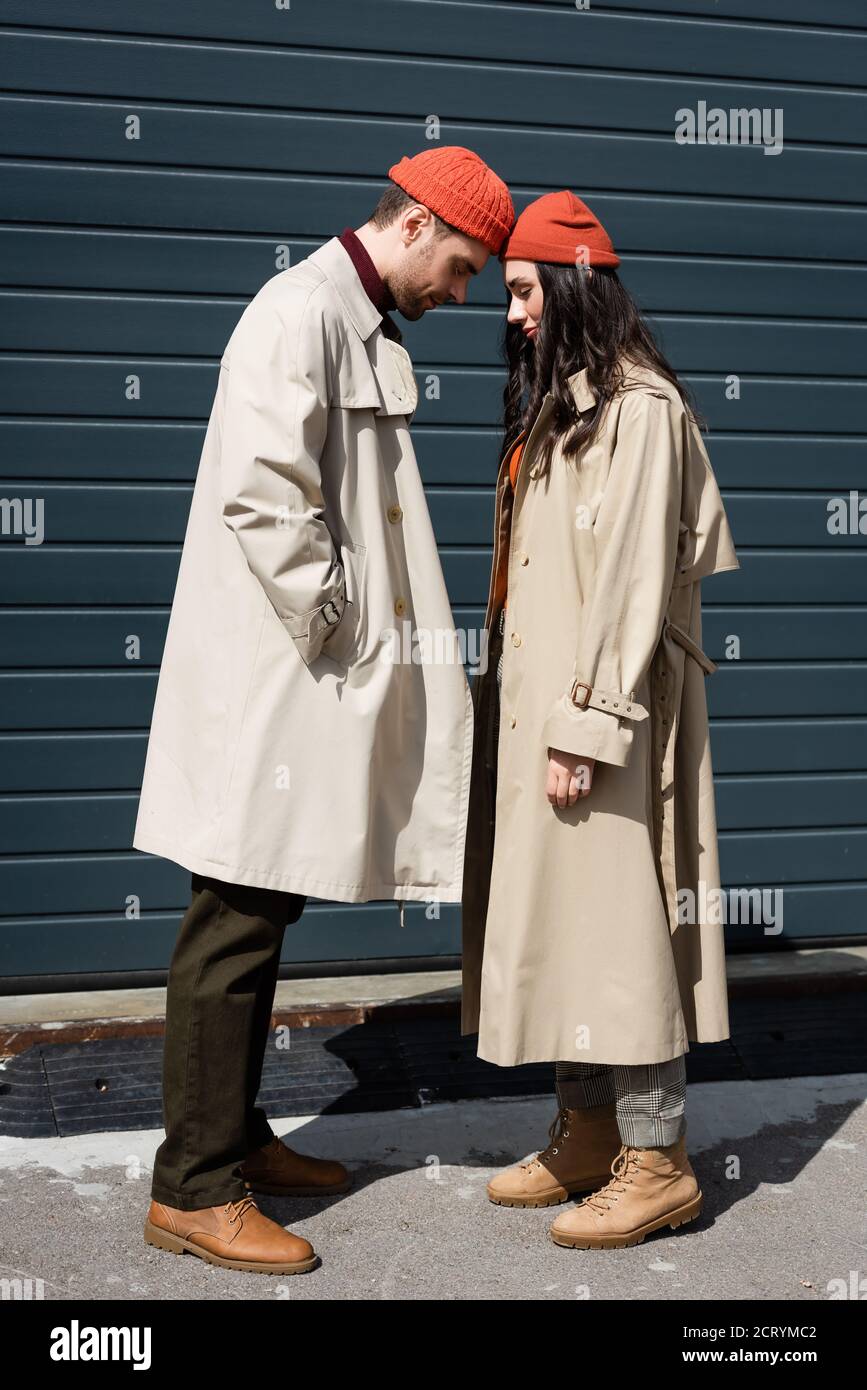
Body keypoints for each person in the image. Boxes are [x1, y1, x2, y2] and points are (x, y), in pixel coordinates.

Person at [134, 146, 514, 1274]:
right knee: (233, 918)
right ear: (413, 224)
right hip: (275, 683)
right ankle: (191, 1188)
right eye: (460, 264)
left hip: (298, 684)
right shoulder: (297, 312)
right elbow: (264, 491)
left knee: (263, 905)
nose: (462, 292)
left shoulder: (349, 319)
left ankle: (236, 1136)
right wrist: (340, 621)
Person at [460, 190, 740, 1250]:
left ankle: (659, 1160)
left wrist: (586, 725)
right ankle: (587, 1134)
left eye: (527, 290)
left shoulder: (640, 408)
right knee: (570, 921)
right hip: (555, 719)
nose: (514, 313)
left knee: (623, 929)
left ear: (574, 286)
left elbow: (629, 585)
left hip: (609, 724)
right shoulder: (569, 405)